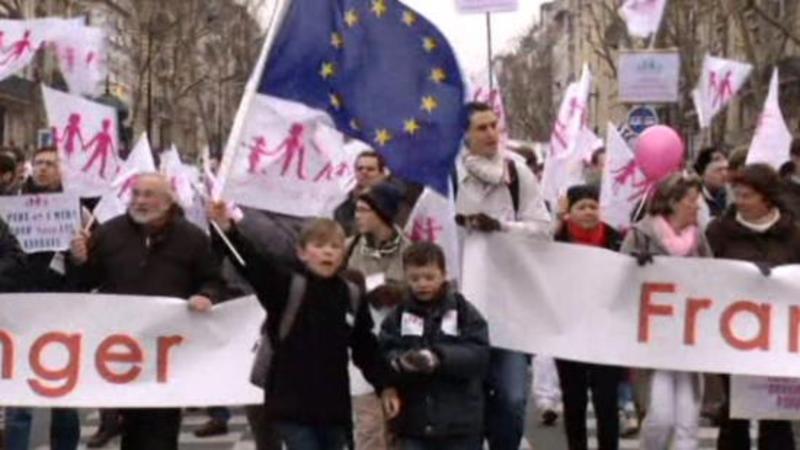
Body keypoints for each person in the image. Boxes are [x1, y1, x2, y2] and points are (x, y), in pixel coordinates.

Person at [207, 201, 393, 450]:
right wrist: (225, 228)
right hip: (290, 405)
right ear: (302, 252)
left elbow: (365, 347)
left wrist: (385, 385)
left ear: (342, 254)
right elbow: (251, 264)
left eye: (335, 246)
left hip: (333, 407)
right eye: (319, 246)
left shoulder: (350, 294)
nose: (328, 252)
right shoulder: (286, 286)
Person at [69, 173, 224, 450]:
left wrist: (206, 295)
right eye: (136, 194)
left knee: (161, 428)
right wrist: (80, 261)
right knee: (132, 427)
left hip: (170, 350)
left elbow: (213, 280)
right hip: (123, 348)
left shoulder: (192, 238)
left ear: (167, 201)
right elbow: (86, 282)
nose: (140, 201)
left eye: (148, 195)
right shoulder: (108, 233)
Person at [454, 102, 551, 450]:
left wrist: (502, 227)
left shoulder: (516, 172)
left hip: (508, 303)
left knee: (511, 399)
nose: (492, 134)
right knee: (469, 401)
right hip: (461, 309)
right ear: (464, 135)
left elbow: (543, 230)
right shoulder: (448, 177)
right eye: (481, 128)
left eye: (494, 125)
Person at [706, 164, 798, 450]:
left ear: (766, 198)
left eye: (747, 196)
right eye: (737, 195)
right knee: (735, 411)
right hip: (732, 335)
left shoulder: (793, 234)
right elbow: (702, 275)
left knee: (775, 412)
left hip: (778, 337)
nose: (739, 201)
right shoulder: (719, 231)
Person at [620, 172, 711, 450]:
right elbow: (617, 279)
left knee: (687, 426)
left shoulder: (699, 239)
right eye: (692, 201)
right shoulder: (641, 235)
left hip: (689, 341)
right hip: (653, 346)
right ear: (672, 203)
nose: (698, 207)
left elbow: (716, 280)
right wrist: (634, 266)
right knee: (660, 418)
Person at [5, 147, 81, 450]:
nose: (43, 169)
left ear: (61, 171)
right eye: (38, 163)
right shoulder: (10, 206)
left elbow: (90, 267)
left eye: (50, 164)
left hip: (61, 307)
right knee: (19, 397)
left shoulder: (76, 210)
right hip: (20, 306)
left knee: (64, 393)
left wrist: (80, 256)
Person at [379, 242, 489, 450]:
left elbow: (479, 353)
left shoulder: (463, 311)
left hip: (460, 423)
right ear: (405, 278)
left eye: (429, 277)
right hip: (413, 423)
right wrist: (401, 362)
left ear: (443, 274)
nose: (422, 284)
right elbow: (384, 353)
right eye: (415, 278)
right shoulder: (397, 316)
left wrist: (440, 357)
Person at [553, 185, 622, 450]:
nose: (588, 212)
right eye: (581, 207)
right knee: (574, 401)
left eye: (593, 206)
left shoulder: (615, 239)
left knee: (607, 401)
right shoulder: (556, 240)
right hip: (569, 334)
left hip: (606, 334)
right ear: (568, 212)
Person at [347, 181, 411, 450]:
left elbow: (428, 290)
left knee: (400, 429)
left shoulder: (410, 249)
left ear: (382, 213)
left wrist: (396, 291)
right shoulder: (349, 247)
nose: (358, 216)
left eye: (364, 210)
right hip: (362, 350)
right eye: (357, 209)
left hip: (401, 348)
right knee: (369, 430)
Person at [335, 150, 389, 236]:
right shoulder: (342, 210)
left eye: (370, 169)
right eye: (360, 168)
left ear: (382, 174)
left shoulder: (394, 205)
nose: (364, 172)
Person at [693, 147, 729, 218]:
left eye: (726, 169)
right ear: (702, 174)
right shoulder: (694, 202)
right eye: (718, 170)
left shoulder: (731, 197)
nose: (724, 174)